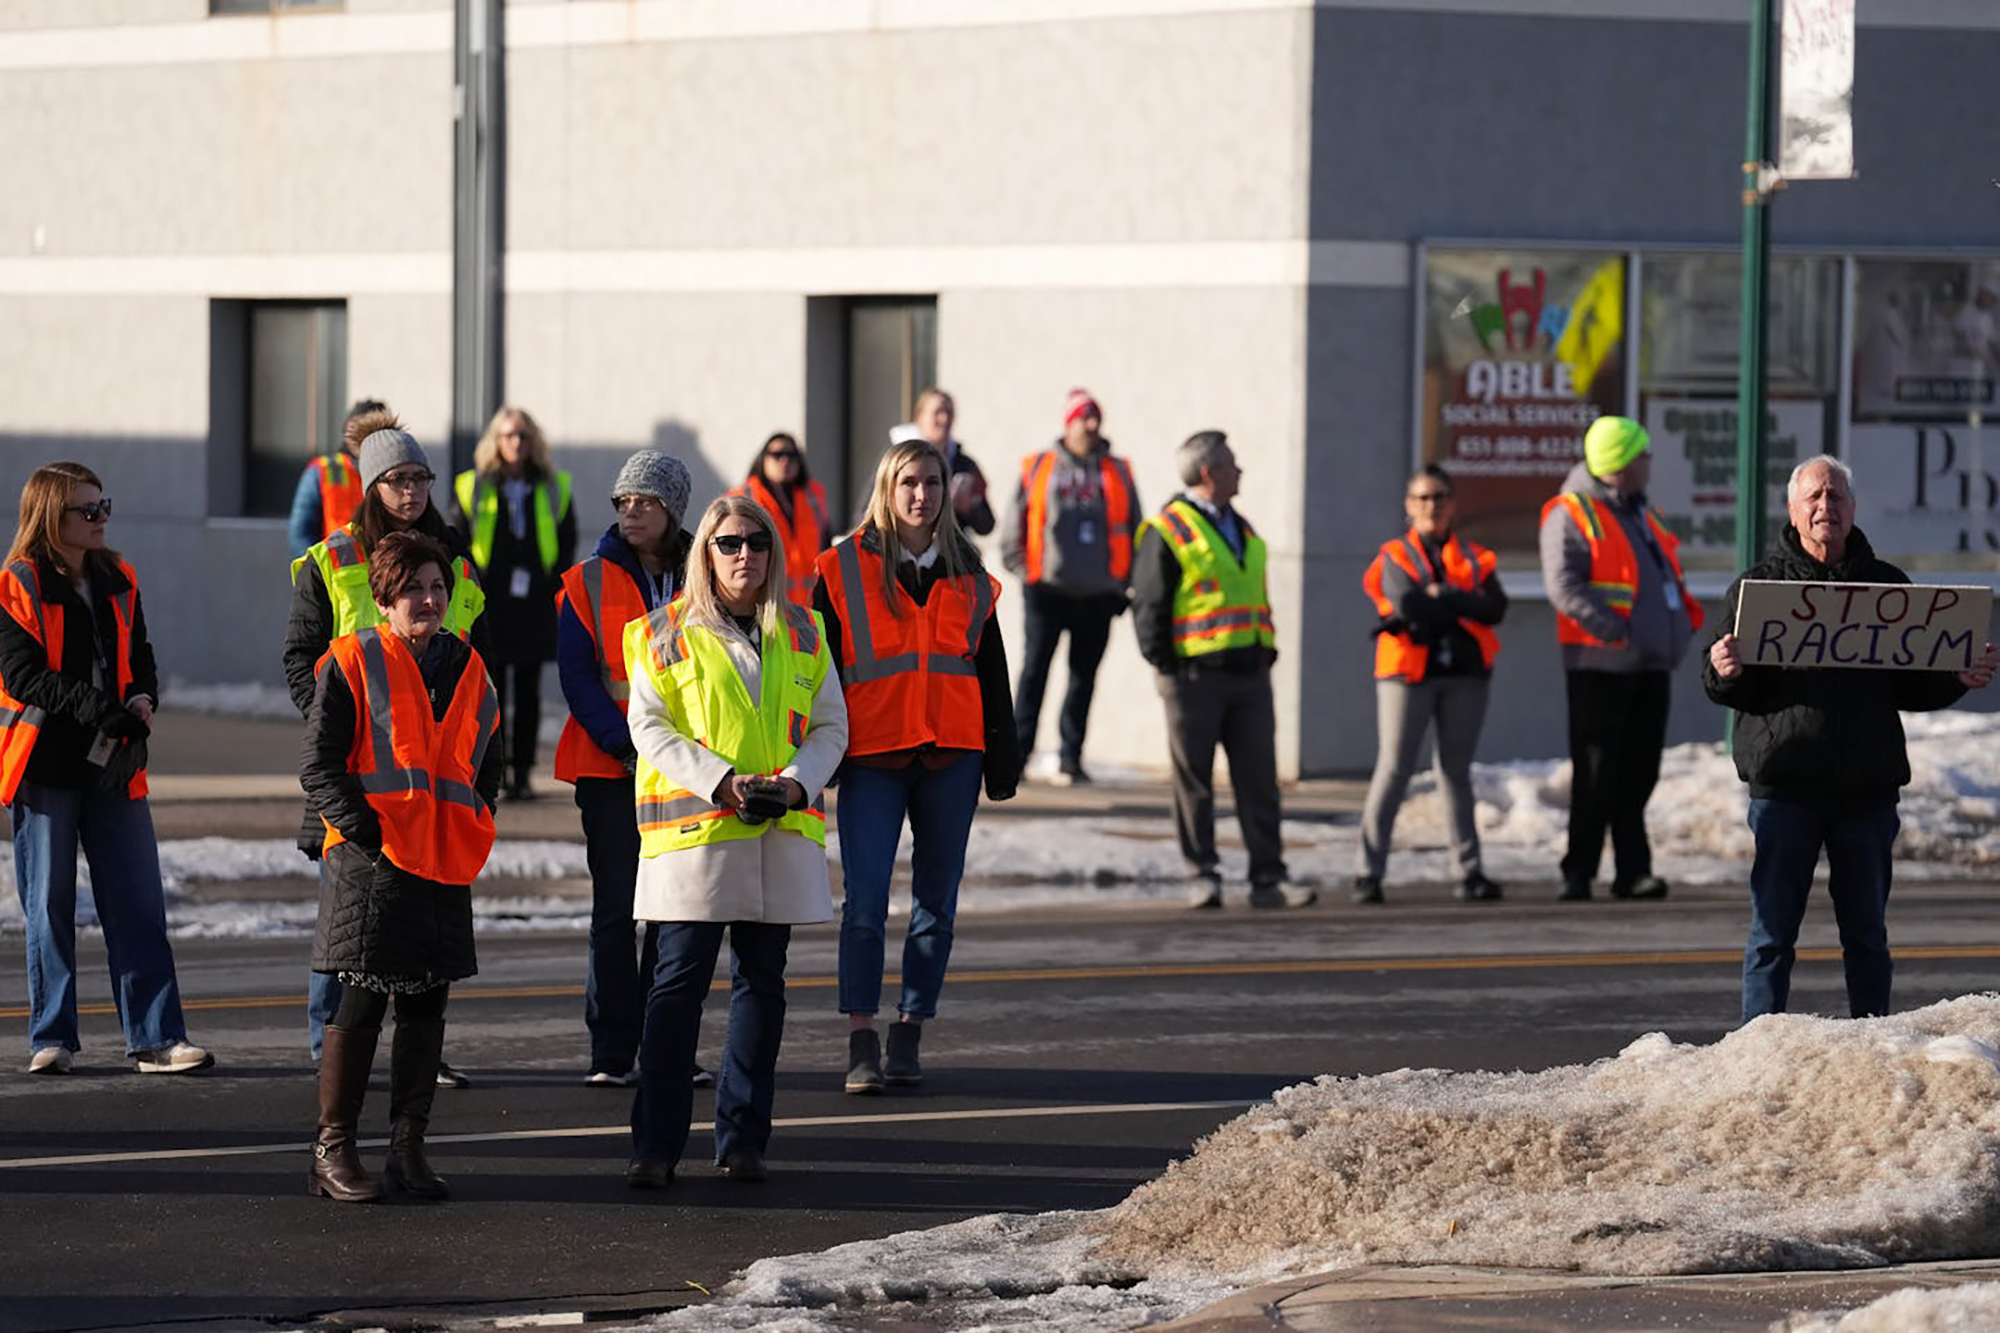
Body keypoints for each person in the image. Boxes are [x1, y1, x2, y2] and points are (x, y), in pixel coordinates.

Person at [1705, 455, 1998, 1023]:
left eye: (1836, 497)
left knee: (1867, 936)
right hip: (1786, 789)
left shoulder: (1887, 586)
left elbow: (1913, 684)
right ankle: (1755, 1048)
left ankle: (1873, 1038)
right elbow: (1723, 683)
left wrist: (1956, 679)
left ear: (1853, 509)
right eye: (1814, 497)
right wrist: (1724, 668)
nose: (1825, 508)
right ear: (1792, 510)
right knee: (1772, 935)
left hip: (1865, 789)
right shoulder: (1757, 589)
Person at [622, 496, 848, 1188]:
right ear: (706, 553)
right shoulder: (664, 632)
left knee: (762, 986)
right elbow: (648, 725)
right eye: (728, 543)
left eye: (756, 542)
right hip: (697, 835)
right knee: (676, 990)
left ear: (773, 552)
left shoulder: (804, 632)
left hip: (776, 832)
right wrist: (721, 782)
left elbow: (832, 726)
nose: (743, 554)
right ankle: (654, 1147)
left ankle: (743, 1138)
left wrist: (797, 784)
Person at [284, 407, 487, 1080]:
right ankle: (332, 1051)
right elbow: (301, 659)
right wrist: (340, 727)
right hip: (355, 776)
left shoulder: (454, 559)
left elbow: (469, 671)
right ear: (372, 486)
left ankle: (417, 1060)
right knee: (348, 930)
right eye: (397, 479)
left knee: (425, 936)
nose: (411, 492)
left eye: (421, 478)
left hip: (433, 784)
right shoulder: (332, 559)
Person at [300, 532, 502, 1203]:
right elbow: (320, 765)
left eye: (438, 586)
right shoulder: (351, 659)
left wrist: (478, 815)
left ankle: (408, 1150)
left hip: (445, 858)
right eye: (413, 586)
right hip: (374, 861)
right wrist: (364, 830)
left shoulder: (468, 665)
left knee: (426, 1003)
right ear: (384, 595)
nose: (428, 598)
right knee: (360, 1000)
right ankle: (333, 1150)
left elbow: (487, 761)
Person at [814, 439, 1020, 1094]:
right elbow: (814, 673)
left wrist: (1002, 758)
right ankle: (861, 1040)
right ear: (887, 487)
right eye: (908, 481)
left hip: (953, 755)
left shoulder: (971, 571)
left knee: (938, 903)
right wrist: (810, 758)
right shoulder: (841, 568)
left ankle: (910, 1029)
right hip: (872, 756)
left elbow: (992, 673)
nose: (921, 494)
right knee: (865, 902)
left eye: (932, 481)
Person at [0, 463, 212, 1076]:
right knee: (49, 905)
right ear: (50, 518)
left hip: (114, 760)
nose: (101, 519)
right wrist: (101, 710)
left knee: (139, 902)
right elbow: (23, 676)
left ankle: (157, 1038)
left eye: (103, 506)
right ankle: (53, 1037)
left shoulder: (120, 576)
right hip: (46, 764)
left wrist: (142, 699)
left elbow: (140, 655)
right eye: (87, 510)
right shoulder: (18, 583)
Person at [554, 450, 703, 1088]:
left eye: (645, 501)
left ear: (673, 509)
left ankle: (665, 1048)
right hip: (612, 767)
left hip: (689, 772)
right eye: (623, 502)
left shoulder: (710, 574)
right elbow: (577, 676)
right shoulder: (586, 580)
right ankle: (613, 1052)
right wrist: (625, 742)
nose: (631, 511)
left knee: (678, 913)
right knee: (617, 909)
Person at [1131, 431, 1308, 912]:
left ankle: (1268, 878)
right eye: (1232, 464)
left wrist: (1265, 654)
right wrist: (1166, 668)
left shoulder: (1242, 528)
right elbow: (1148, 604)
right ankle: (1202, 874)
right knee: (1195, 782)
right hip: (1193, 678)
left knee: (1259, 780)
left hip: (1249, 673)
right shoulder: (1167, 530)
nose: (1240, 471)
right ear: (1209, 473)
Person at [1538, 415, 1701, 902]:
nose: (1650, 460)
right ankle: (1579, 870)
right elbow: (1564, 586)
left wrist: (1683, 622)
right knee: (1594, 771)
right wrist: (1620, 631)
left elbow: (1665, 575)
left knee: (1639, 771)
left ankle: (1633, 870)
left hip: (1650, 663)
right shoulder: (1570, 512)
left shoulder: (1641, 511)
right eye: (1642, 452)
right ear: (1621, 462)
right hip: (1600, 665)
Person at [1355, 463, 1508, 905]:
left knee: (1456, 773)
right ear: (1409, 506)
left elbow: (1495, 607)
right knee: (1395, 768)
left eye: (1439, 497)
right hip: (1407, 674)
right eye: (1422, 498)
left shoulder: (1476, 556)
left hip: (1464, 675)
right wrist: (1458, 605)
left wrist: (1445, 597)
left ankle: (1470, 871)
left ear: (1453, 504)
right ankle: (1368, 872)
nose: (1432, 506)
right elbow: (1408, 605)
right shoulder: (1395, 556)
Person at [1002, 388, 1139, 785]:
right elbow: (1016, 522)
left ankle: (1070, 759)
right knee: (1034, 674)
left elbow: (1134, 527)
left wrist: (1121, 585)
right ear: (1069, 423)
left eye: (1096, 417)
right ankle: (1017, 756)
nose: (1092, 425)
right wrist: (1025, 570)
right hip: (1047, 590)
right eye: (1085, 417)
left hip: (1098, 595)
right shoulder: (1040, 466)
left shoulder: (1118, 471)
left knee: (1083, 678)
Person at [448, 406, 576, 800]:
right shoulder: (474, 485)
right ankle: (496, 771)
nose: (516, 443)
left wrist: (553, 584)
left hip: (534, 601)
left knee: (529, 688)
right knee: (492, 688)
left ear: (533, 441)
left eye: (522, 435)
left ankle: (523, 773)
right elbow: (458, 539)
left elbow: (567, 539)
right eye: (508, 436)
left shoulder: (554, 486)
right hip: (490, 600)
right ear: (496, 441)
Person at [730, 432, 830, 605]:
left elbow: (826, 544)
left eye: (792, 456)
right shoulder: (744, 497)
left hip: (810, 603)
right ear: (763, 459)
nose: (785, 461)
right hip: (765, 600)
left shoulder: (813, 496)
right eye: (777, 455)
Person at [287, 398, 386, 558]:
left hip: (383, 572)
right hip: (338, 574)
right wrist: (318, 573)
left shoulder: (395, 472)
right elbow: (300, 532)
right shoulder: (323, 470)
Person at [910, 388, 995, 537]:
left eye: (949, 413)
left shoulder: (965, 465)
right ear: (919, 418)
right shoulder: (897, 462)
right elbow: (868, 513)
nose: (944, 419)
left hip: (948, 554)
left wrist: (970, 506)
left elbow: (987, 526)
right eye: (938, 412)